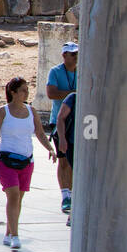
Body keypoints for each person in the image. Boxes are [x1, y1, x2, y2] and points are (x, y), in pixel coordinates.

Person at [0, 76, 56, 250]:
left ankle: (8, 231)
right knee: (12, 196)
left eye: (27, 90)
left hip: (27, 161)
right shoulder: (3, 112)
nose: (27, 93)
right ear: (13, 92)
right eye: (23, 90)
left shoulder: (32, 111)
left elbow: (41, 134)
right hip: (7, 160)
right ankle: (15, 235)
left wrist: (50, 148)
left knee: (18, 199)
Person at [45, 41, 78, 213]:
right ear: (64, 55)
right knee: (63, 159)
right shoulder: (55, 72)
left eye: (77, 53)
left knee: (74, 161)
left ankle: (72, 193)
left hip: (78, 121)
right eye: (72, 54)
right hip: (61, 120)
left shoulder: (82, 70)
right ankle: (65, 195)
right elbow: (51, 93)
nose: (75, 57)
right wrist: (73, 94)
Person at [55, 89, 76, 225]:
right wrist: (62, 139)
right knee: (78, 177)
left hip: (93, 145)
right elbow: (60, 118)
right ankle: (72, 214)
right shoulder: (73, 97)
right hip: (73, 143)